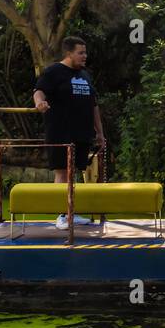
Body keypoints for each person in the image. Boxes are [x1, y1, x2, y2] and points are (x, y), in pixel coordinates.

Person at [33, 36, 106, 230]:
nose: (85, 56)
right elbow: (39, 90)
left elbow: (94, 105)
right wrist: (39, 103)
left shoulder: (85, 75)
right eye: (80, 53)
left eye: (85, 52)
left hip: (82, 133)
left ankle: (70, 212)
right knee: (62, 171)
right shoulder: (54, 71)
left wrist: (100, 133)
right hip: (60, 132)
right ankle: (61, 214)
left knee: (73, 171)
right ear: (68, 53)